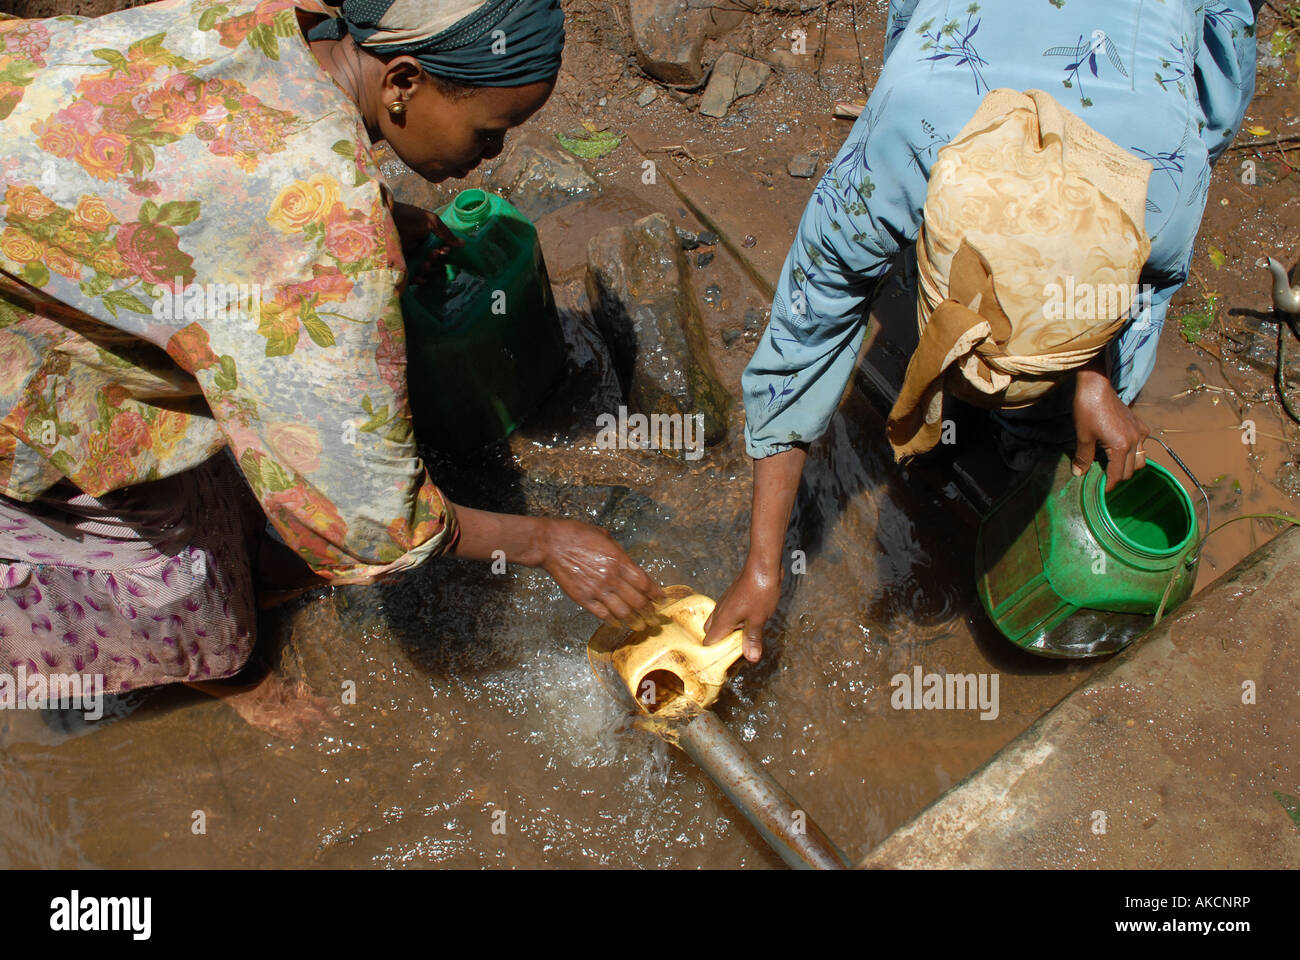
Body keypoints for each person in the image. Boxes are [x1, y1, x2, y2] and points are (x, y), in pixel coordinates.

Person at [0, 0, 662, 726]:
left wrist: (381, 212)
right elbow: (366, 514)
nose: (493, 154)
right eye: (490, 131)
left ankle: (239, 566)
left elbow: (199, 163)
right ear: (403, 81)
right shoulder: (328, 240)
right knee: (157, 560)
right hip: (27, 346)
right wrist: (544, 541)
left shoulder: (274, 22)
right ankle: (223, 671)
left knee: (215, 477)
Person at [703, 0, 1261, 662]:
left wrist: (1095, 376)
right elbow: (810, 320)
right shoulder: (903, 139)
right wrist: (764, 565)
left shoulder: (1166, 179)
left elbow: (1135, 286)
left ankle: (1040, 425)